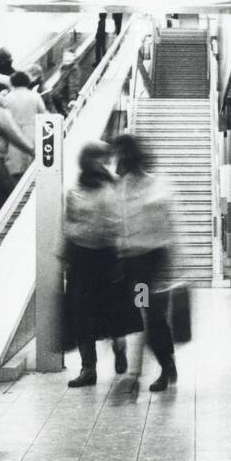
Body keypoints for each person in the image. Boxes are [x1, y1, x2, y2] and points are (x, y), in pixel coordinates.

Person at [62, 142, 139, 388]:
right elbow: (69, 222)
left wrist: (121, 254)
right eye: (93, 159)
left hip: (107, 256)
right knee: (82, 314)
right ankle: (88, 369)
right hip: (80, 258)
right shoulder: (74, 190)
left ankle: (119, 346)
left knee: (112, 311)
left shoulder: (112, 187)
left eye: (100, 159)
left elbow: (118, 223)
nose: (97, 163)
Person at [111, 133, 178, 392]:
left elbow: (170, 226)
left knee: (149, 315)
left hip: (151, 260)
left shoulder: (156, 185)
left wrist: (173, 266)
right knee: (135, 314)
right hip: (127, 260)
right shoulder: (121, 186)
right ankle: (149, 366)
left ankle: (159, 366)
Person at [0, 81, 34, 231]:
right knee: (10, 191)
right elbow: (15, 136)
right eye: (4, 95)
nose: (6, 99)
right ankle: (9, 227)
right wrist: (33, 151)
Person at [4, 70, 47, 179]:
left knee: (16, 166)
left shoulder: (7, 98)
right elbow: (43, 113)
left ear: (12, 82)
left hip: (13, 134)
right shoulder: (35, 96)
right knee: (31, 165)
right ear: (27, 82)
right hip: (32, 132)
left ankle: (16, 190)